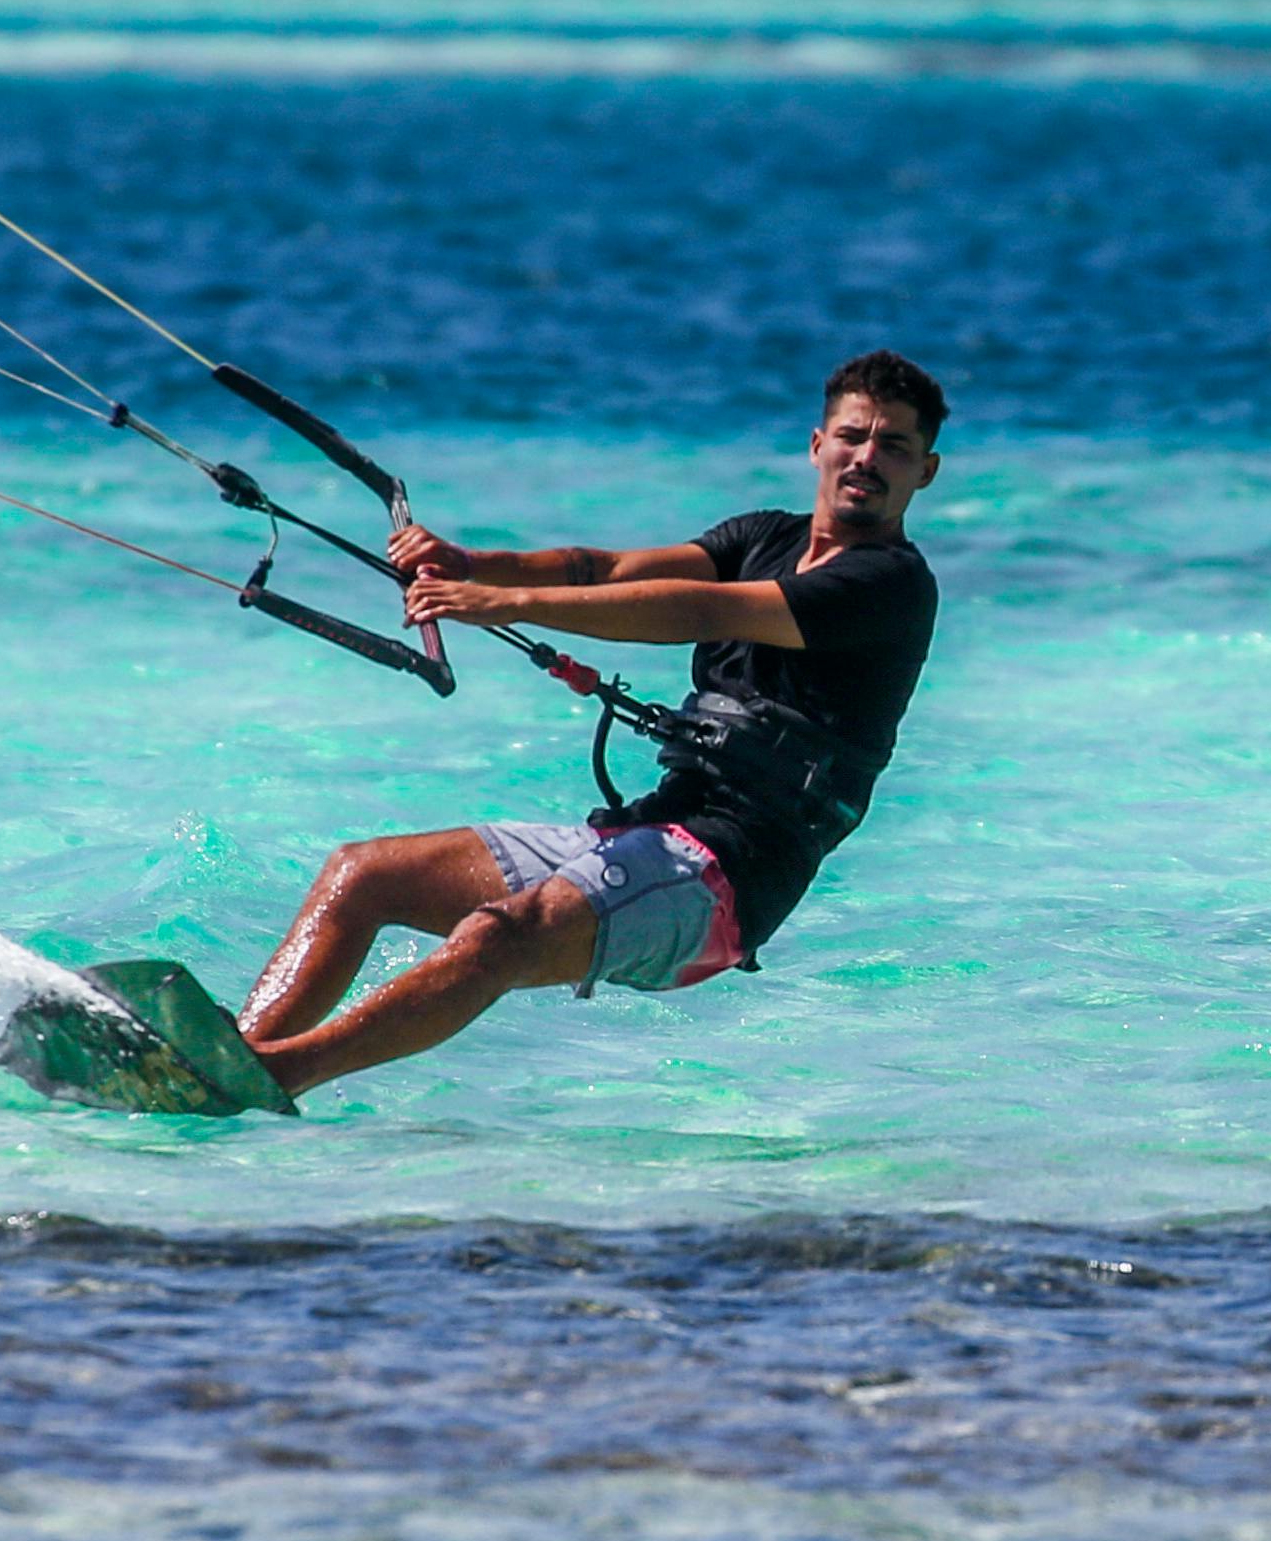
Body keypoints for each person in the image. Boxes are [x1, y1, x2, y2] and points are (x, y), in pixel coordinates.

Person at [239, 351, 948, 1093]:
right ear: (818, 445)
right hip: (651, 831)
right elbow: (604, 570)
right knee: (362, 874)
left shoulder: (889, 585)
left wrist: (504, 606)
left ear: (923, 471)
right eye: (853, 435)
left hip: (731, 877)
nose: (867, 457)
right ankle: (231, 1061)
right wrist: (474, 564)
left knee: (498, 936)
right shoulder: (764, 536)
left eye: (894, 446)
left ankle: (274, 1075)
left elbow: (698, 609)